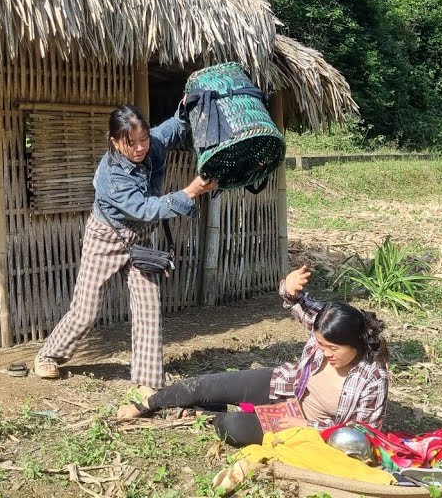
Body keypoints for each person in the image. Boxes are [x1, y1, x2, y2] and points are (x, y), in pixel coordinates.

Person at [33, 104, 216, 390]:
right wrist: (190, 191)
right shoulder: (111, 174)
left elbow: (177, 125)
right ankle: (49, 354)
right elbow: (143, 209)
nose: (141, 147)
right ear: (116, 141)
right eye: (132, 143)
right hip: (105, 239)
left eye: (144, 139)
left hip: (140, 239)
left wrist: (186, 106)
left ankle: (148, 380)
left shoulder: (152, 142)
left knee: (148, 307)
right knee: (86, 310)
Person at [115, 265, 390, 447]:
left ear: (356, 344)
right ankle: (147, 403)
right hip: (286, 385)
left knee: (232, 427)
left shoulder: (372, 378)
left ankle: (201, 413)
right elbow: (293, 299)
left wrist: (307, 426)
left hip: (306, 427)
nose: (325, 352)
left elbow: (359, 434)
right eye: (320, 344)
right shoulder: (326, 324)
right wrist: (290, 285)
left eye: (333, 349)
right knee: (205, 384)